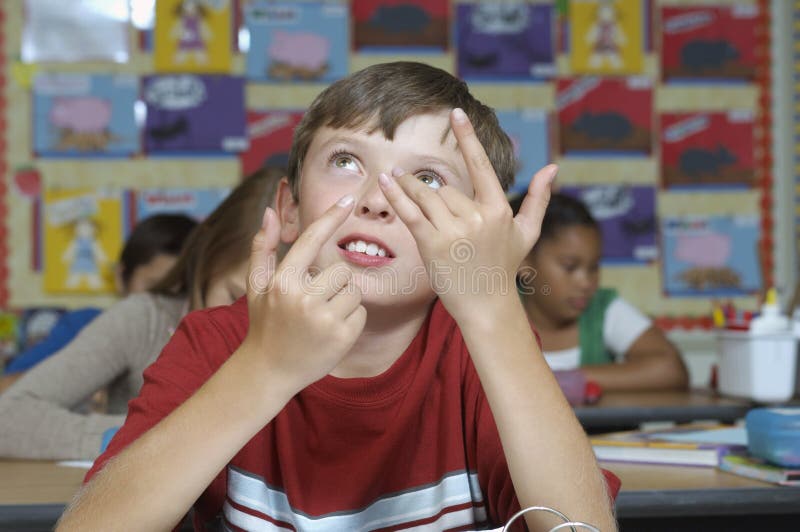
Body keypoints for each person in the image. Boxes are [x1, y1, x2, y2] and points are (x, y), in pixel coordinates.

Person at [59, 63, 619, 532]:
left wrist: (494, 307)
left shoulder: (482, 352)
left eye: (426, 179)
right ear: (291, 206)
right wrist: (265, 368)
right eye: (347, 162)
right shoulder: (217, 342)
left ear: (475, 229)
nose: (378, 200)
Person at [0, 167, 282, 460]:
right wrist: (146, 434)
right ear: (206, 258)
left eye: (278, 308)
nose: (252, 328)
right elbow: (8, 418)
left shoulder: (314, 337)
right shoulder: (144, 320)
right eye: (236, 298)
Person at [0, 213, 197, 393]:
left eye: (182, 292)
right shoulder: (84, 324)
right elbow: (7, 388)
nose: (167, 303)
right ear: (121, 277)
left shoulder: (195, 342)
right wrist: (90, 371)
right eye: (155, 288)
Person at [512, 192, 689, 392]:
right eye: (570, 267)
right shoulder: (499, 310)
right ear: (524, 261)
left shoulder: (602, 309)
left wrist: (570, 379)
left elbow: (670, 368)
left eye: (594, 267)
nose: (586, 283)